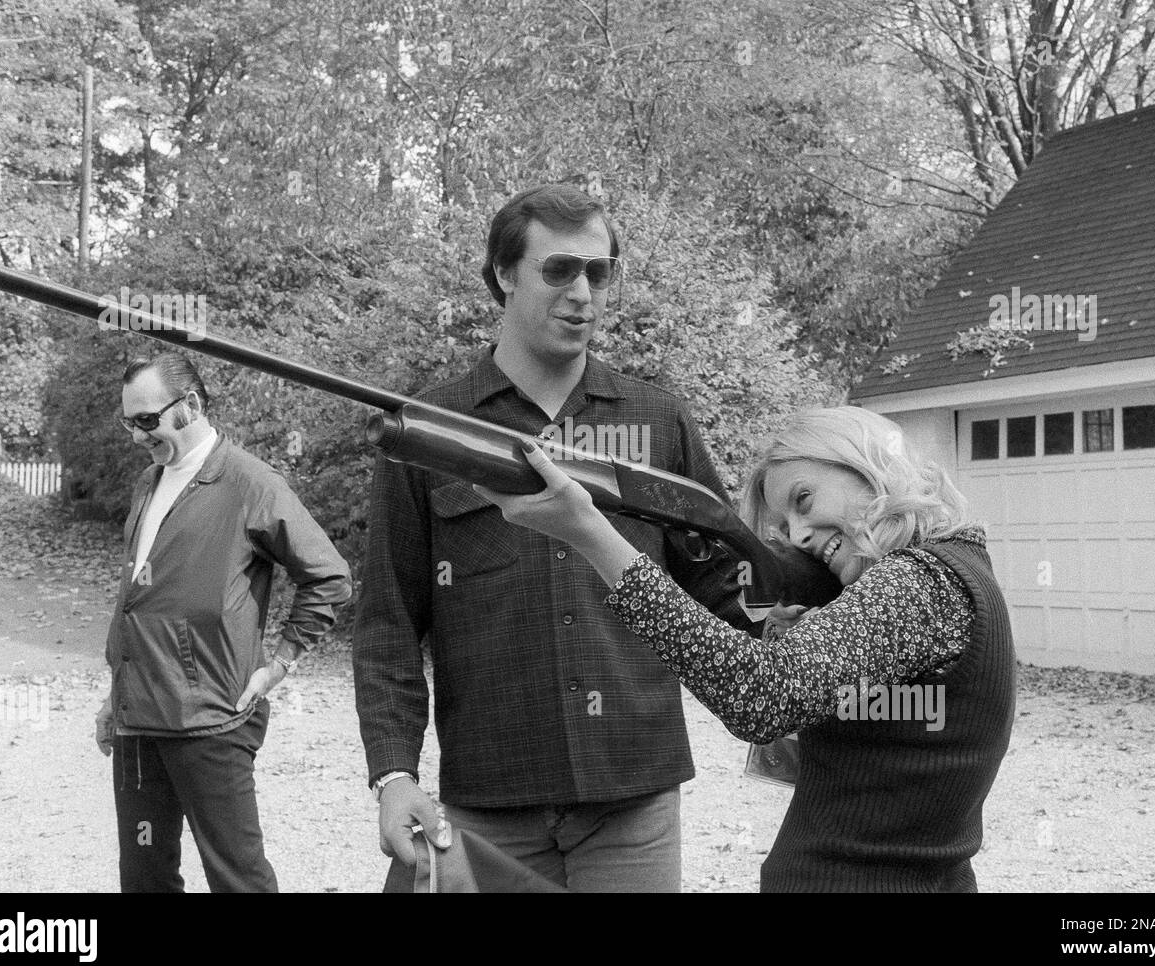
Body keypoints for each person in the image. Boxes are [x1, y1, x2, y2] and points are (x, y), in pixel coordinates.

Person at [353, 183, 838, 892]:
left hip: (634, 794)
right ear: (503, 274)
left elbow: (725, 587)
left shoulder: (658, 419)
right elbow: (388, 626)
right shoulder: (432, 431)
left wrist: (808, 647)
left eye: (598, 272)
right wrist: (393, 776)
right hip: (490, 796)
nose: (582, 292)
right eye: (558, 270)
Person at [476, 405, 1017, 892]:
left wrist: (592, 534)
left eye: (803, 500)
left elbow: (762, 696)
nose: (800, 535)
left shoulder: (920, 582)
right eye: (783, 526)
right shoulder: (952, 572)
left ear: (865, 464)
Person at [94, 351, 353, 892]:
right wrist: (112, 698)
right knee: (143, 880)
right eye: (129, 423)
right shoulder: (149, 481)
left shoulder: (251, 483)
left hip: (210, 720)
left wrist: (279, 664)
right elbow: (138, 596)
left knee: (238, 879)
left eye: (147, 420)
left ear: (189, 405)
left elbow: (328, 577)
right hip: (138, 720)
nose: (139, 436)